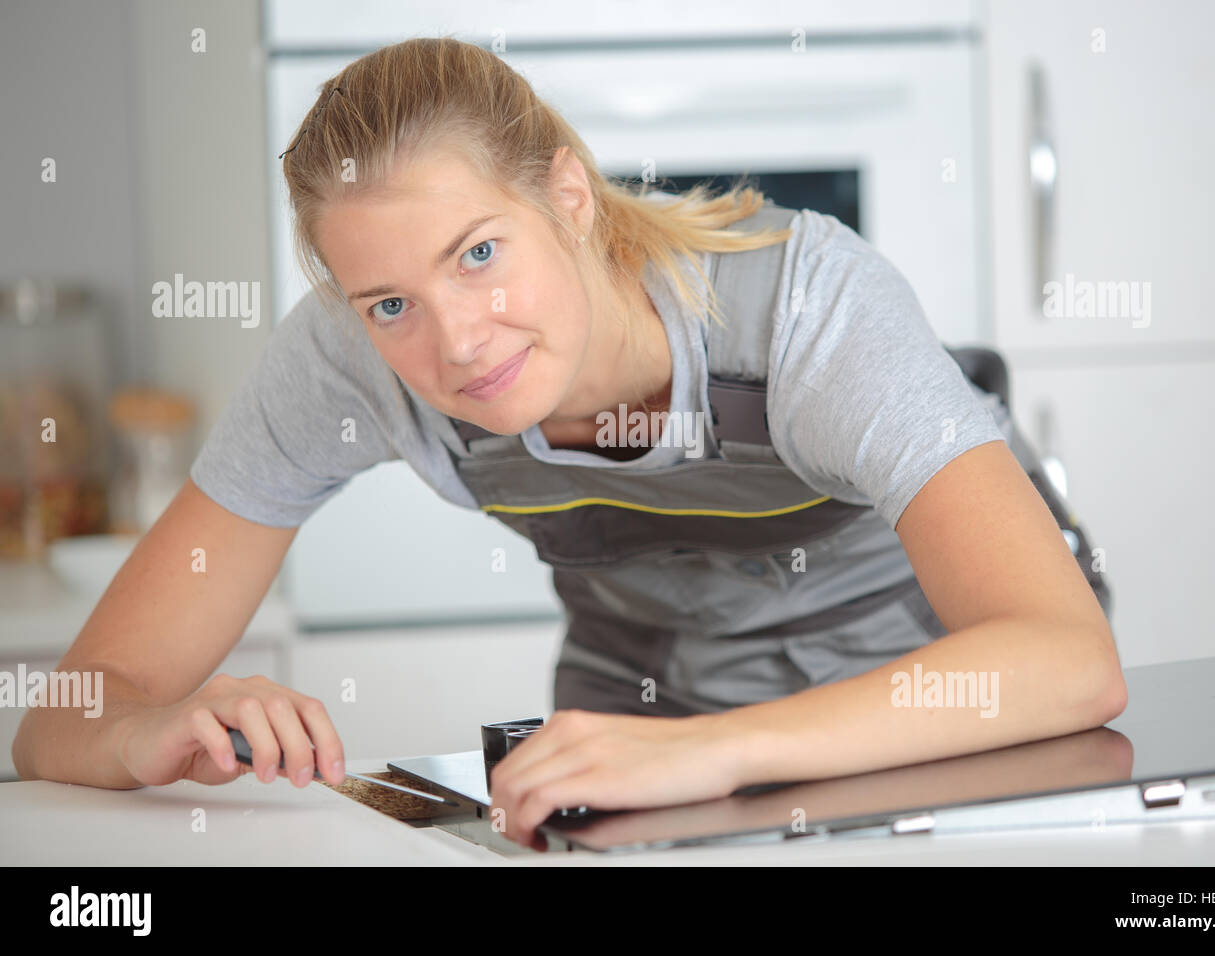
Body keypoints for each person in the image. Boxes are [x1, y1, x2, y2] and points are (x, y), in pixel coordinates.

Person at [13, 37, 1125, 851]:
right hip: (646, 749)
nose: (454, 340)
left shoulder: (803, 307)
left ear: (570, 196)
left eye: (480, 252)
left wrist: (720, 746)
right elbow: (61, 718)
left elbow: (1064, 656)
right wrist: (144, 726)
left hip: (929, 745)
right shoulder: (346, 357)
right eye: (388, 301)